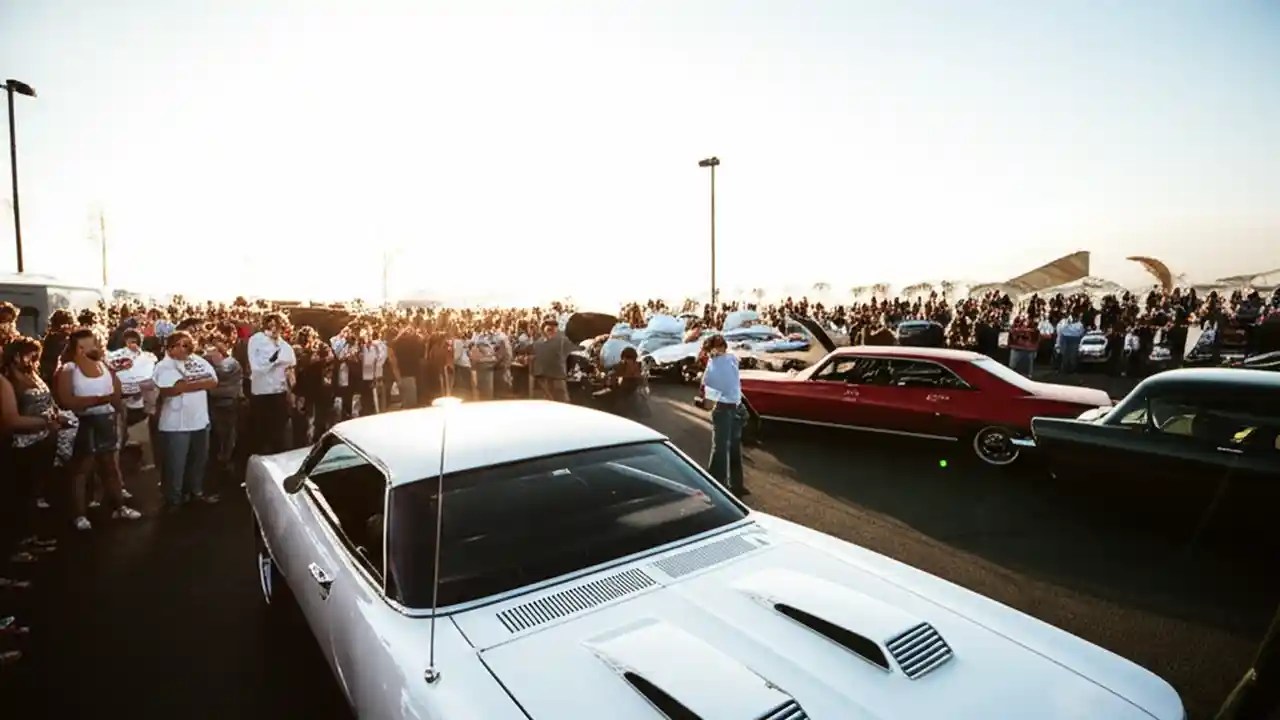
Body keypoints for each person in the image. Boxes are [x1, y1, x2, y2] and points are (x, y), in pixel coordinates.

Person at [54, 329, 142, 531]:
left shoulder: (104, 365)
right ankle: (79, 515)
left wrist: (119, 414)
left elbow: (116, 394)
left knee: (110, 465)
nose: (88, 350)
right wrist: (99, 400)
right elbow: (66, 400)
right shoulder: (69, 368)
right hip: (84, 422)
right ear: (75, 349)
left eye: (91, 344)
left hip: (107, 419)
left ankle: (119, 506)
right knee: (82, 469)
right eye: (82, 346)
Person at [153, 331, 219, 509]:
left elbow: (213, 381)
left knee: (199, 459)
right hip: (176, 424)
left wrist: (187, 385)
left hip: (200, 420)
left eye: (188, 344)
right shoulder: (163, 366)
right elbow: (172, 389)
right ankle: (173, 498)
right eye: (182, 345)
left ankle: (195, 492)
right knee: (176, 464)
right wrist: (199, 383)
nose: (186, 348)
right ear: (171, 348)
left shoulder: (198, 361)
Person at [700, 334, 748, 497]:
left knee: (720, 449)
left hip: (723, 410)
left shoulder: (713, 370)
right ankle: (737, 485)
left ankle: (716, 487)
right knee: (733, 448)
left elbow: (708, 404)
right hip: (736, 407)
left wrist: (702, 399)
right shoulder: (732, 359)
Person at [247, 313, 296, 455]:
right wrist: (274, 361)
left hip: (279, 394)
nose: (274, 329)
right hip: (261, 394)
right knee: (260, 434)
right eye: (271, 325)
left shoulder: (285, 346)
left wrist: (291, 392)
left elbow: (290, 371)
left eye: (278, 326)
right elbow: (256, 368)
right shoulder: (256, 340)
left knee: (279, 435)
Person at [531, 319, 574, 402]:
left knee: (562, 402)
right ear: (543, 331)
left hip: (558, 378)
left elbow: (569, 357)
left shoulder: (562, 341)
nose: (551, 333)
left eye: (554, 330)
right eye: (549, 330)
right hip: (544, 378)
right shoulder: (538, 343)